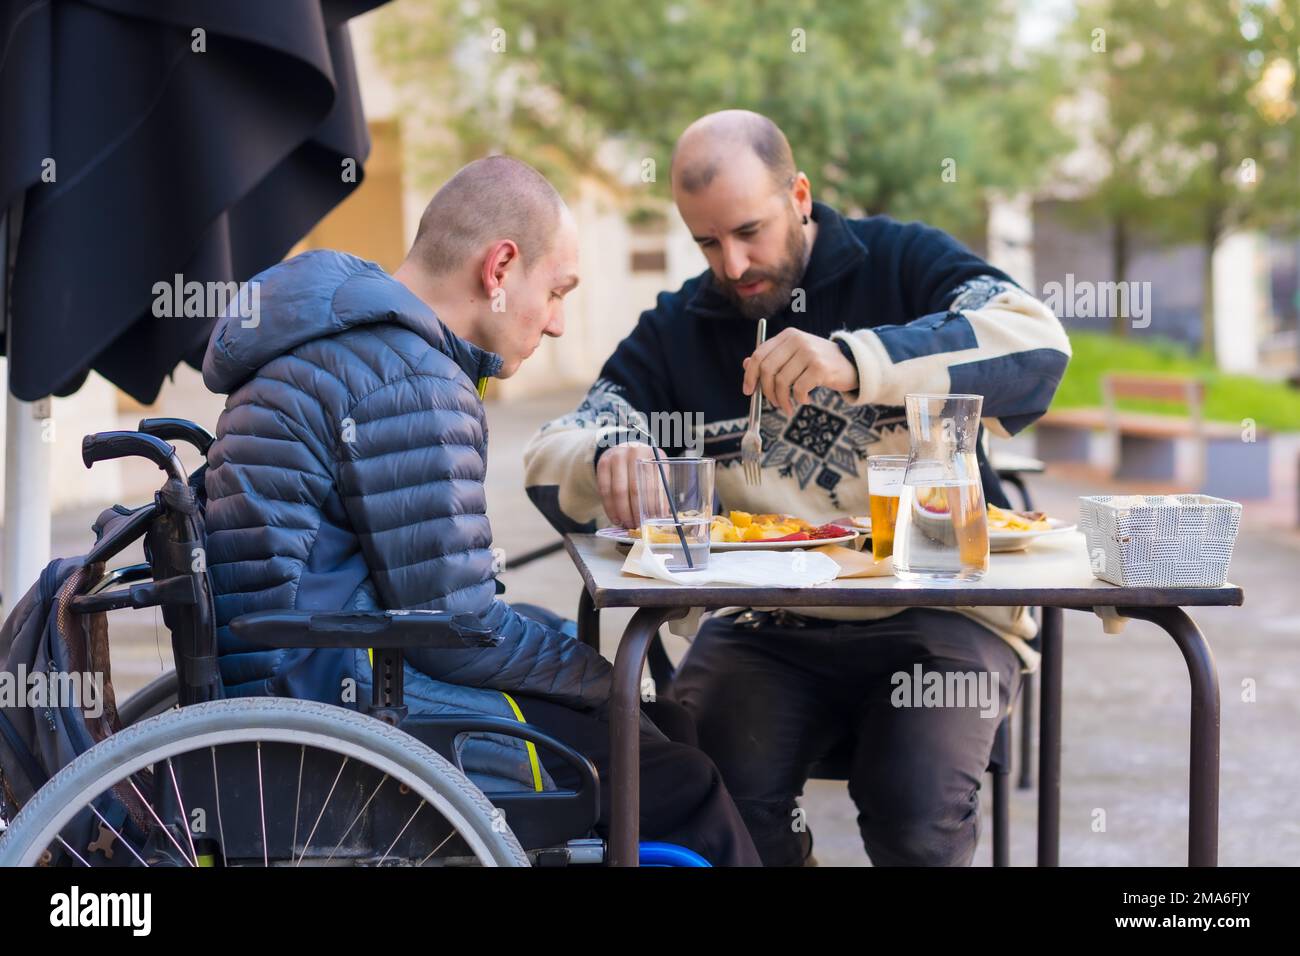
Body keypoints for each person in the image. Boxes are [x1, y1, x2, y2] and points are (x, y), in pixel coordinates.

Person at [523, 111, 1072, 866]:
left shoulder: (903, 261)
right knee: (704, 797)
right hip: (768, 627)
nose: (734, 263)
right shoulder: (679, 326)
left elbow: (1040, 344)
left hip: (940, 615)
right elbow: (551, 454)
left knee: (916, 813)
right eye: (707, 242)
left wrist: (858, 360)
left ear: (801, 196)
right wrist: (609, 451)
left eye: (751, 229)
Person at [201, 155, 760, 866]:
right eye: (556, 292)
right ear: (499, 270)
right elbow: (456, 630)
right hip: (344, 709)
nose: (557, 324)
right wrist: (599, 674)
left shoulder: (340, 342)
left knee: (658, 718)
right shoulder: (407, 378)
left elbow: (440, 608)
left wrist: (587, 667)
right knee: (684, 779)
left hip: (308, 667)